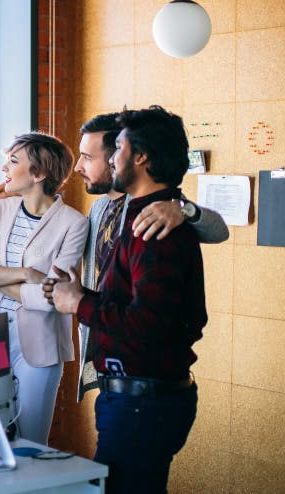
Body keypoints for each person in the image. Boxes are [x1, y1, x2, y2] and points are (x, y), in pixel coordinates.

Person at [50, 106, 207, 493]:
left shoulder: (159, 224)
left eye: (115, 147)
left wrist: (78, 304)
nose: (106, 158)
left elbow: (147, 324)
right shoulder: (119, 212)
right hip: (139, 397)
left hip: (142, 403)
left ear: (140, 157)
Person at [43, 112, 228, 401]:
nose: (78, 167)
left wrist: (183, 208)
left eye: (87, 157)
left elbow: (219, 230)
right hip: (111, 352)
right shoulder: (98, 209)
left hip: (143, 370)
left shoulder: (158, 210)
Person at [0, 132, 88, 445]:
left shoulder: (74, 224)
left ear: (39, 173)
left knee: (31, 442)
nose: (5, 167)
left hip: (41, 344)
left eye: (14, 161)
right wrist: (26, 273)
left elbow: (51, 299)